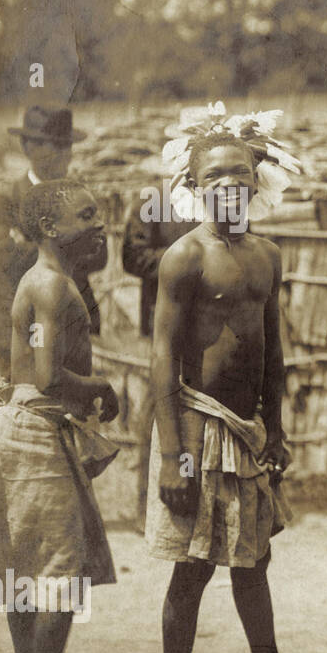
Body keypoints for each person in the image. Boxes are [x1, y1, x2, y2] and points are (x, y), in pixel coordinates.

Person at [146, 109, 327, 653]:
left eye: (238, 173)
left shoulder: (267, 255)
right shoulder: (184, 258)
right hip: (198, 427)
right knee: (194, 564)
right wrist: (173, 453)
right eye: (213, 176)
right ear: (194, 186)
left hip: (248, 429)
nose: (227, 184)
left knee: (253, 556)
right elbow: (162, 359)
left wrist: (275, 428)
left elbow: (273, 348)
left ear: (257, 179)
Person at [0, 179, 119, 653]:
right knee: (59, 581)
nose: (99, 223)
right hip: (36, 432)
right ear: (49, 228)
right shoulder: (48, 287)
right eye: (86, 215)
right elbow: (44, 378)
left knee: (28, 574)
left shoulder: (49, 281)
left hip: (34, 431)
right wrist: (102, 386)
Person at [0, 106, 102, 379]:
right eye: (53, 145)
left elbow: (101, 256)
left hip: (74, 326)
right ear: (27, 146)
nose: (62, 154)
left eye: (67, 145)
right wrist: (73, 245)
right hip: (22, 333)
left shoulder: (80, 195)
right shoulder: (4, 198)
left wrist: (37, 244)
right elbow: (9, 262)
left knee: (78, 402)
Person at [122, 171, 196, 528]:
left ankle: (194, 503)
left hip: (212, 324)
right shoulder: (155, 198)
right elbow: (132, 257)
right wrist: (186, 259)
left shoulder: (221, 198)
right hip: (165, 322)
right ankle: (145, 507)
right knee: (158, 407)